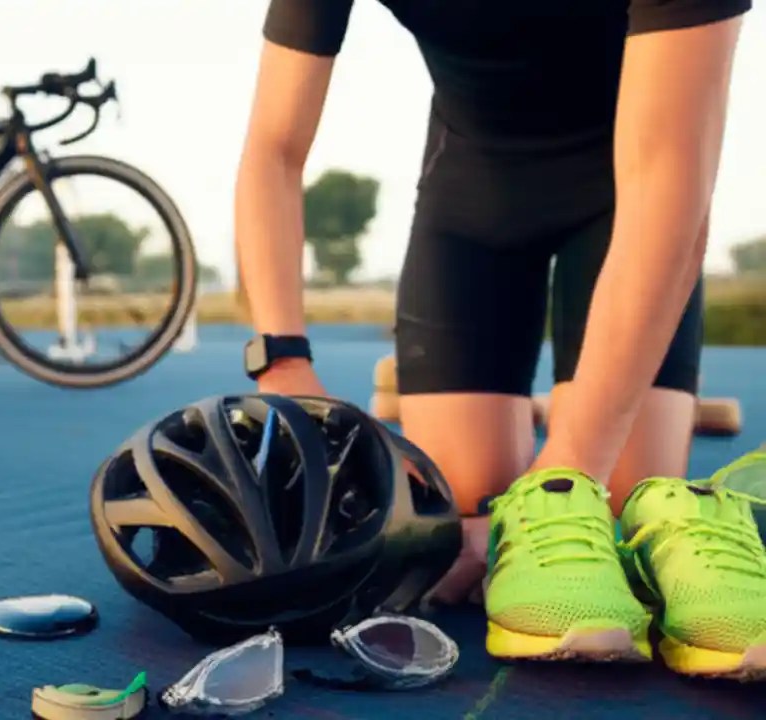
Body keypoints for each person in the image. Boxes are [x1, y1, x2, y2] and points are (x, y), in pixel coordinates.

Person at [236, 0, 762, 672]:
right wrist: (284, 368)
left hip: (631, 201)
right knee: (456, 536)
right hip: (472, 204)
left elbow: (669, 179)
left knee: (629, 522)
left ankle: (583, 420)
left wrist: (568, 471)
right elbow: (273, 150)